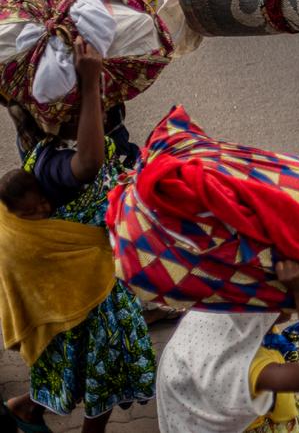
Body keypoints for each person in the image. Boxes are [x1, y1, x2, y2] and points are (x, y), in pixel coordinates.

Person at [0, 39, 156, 433]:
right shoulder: (53, 166)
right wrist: (88, 84)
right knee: (108, 363)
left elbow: (109, 155)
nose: (99, 110)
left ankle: (26, 409)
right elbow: (89, 164)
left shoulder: (62, 146)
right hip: (90, 297)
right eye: (89, 108)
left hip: (88, 291)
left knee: (79, 363)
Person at [156, 260, 299, 432]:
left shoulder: (209, 314)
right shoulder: (243, 365)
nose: (292, 310)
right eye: (287, 304)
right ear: (262, 310)